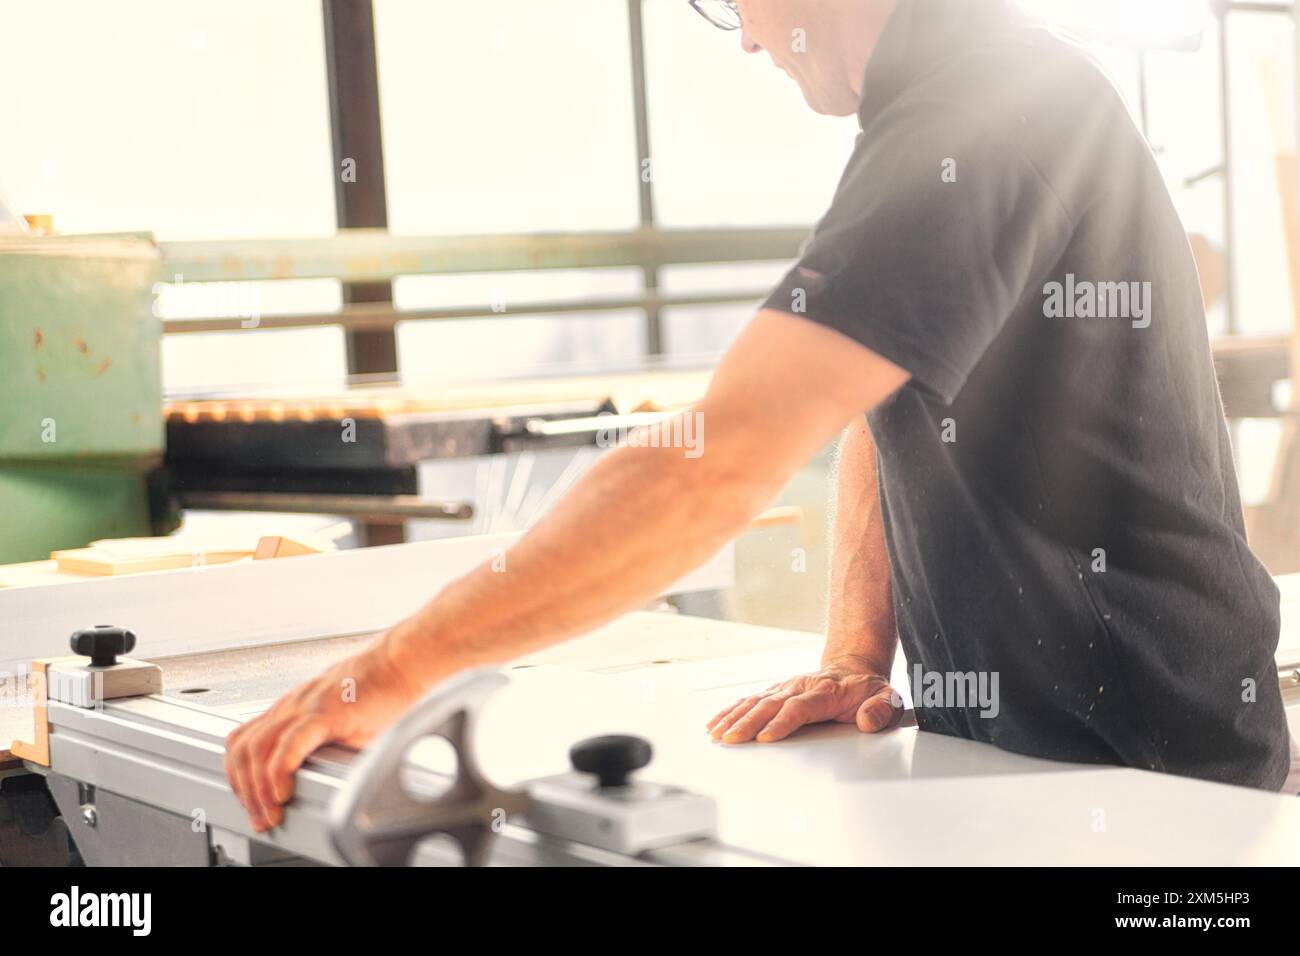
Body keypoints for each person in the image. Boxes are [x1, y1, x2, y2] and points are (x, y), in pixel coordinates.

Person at [226, 0, 1297, 833]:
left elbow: (713, 461)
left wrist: (397, 671)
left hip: (1160, 783)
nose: (742, 37)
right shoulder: (944, 104)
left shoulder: (992, 106)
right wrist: (853, 648)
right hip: (1015, 758)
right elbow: (884, 390)